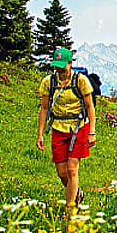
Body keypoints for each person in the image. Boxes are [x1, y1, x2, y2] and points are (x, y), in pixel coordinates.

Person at [37, 47, 96, 214]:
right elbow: (44, 108)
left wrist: (92, 131)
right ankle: (76, 193)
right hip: (58, 127)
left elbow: (90, 107)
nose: (60, 69)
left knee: (72, 169)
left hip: (79, 127)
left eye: (63, 65)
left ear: (71, 63)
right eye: (57, 66)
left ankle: (70, 210)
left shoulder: (81, 81)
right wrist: (40, 133)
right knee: (62, 172)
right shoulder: (48, 82)